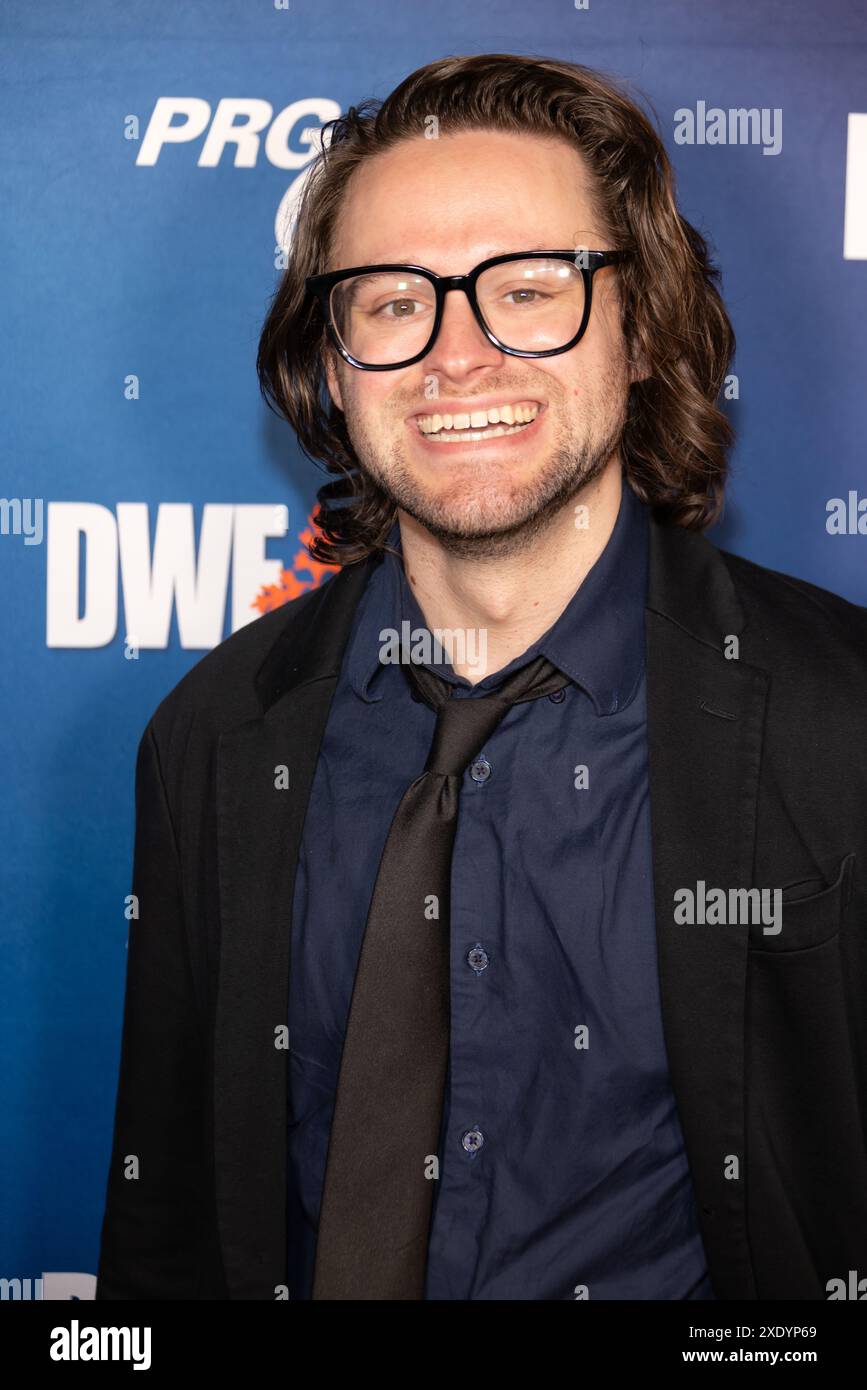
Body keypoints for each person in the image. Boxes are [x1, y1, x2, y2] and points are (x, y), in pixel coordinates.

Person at [96, 53, 867, 1301]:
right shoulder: (214, 737)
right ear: (333, 367)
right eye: (395, 301)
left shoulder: (842, 723)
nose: (459, 354)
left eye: (528, 288)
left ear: (642, 331)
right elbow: (167, 1231)